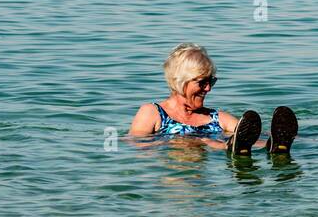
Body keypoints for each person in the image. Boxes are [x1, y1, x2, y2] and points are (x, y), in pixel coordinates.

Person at [128, 43, 298, 156]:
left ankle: (274, 147)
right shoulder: (152, 113)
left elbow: (248, 134)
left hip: (218, 156)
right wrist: (192, 141)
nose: (208, 88)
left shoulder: (218, 118)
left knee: (245, 139)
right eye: (202, 82)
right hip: (177, 169)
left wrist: (294, 136)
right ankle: (231, 148)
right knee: (216, 142)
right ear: (179, 81)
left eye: (211, 81)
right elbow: (138, 145)